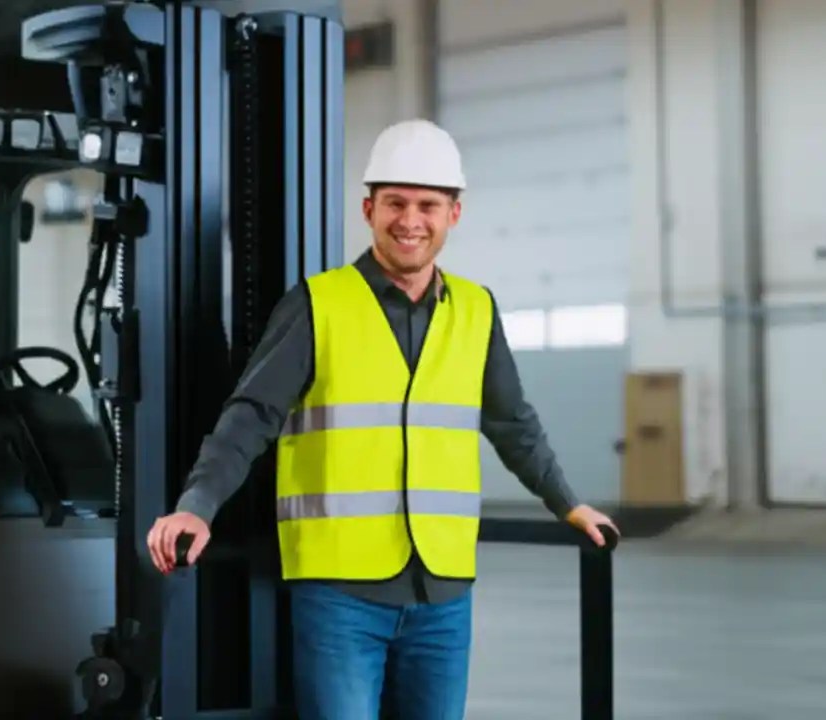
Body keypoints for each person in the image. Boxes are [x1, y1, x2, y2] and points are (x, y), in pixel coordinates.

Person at [146, 118, 618, 719]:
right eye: (395, 203)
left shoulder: (477, 309)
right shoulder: (318, 304)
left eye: (428, 204)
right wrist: (198, 504)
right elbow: (251, 415)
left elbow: (511, 422)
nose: (410, 220)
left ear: (454, 214)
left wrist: (567, 504)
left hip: (442, 593)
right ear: (369, 209)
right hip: (340, 595)